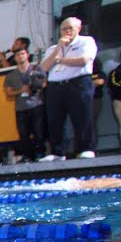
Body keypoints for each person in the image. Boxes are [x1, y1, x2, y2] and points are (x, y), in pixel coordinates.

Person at [40, 17, 98, 160]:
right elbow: (45, 67)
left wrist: (60, 60)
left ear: (78, 28)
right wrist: (58, 48)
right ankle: (57, 152)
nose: (67, 31)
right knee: (55, 120)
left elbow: (83, 60)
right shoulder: (53, 48)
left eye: (70, 28)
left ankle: (86, 148)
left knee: (82, 117)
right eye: (64, 29)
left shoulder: (86, 41)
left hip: (78, 82)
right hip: (55, 85)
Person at [4, 47, 47, 163]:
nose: (20, 56)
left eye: (22, 53)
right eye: (17, 55)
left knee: (39, 131)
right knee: (23, 133)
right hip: (20, 107)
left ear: (27, 55)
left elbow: (44, 83)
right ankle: (27, 155)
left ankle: (40, 153)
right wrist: (21, 90)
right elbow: (8, 93)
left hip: (36, 104)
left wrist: (35, 86)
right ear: (15, 58)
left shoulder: (36, 69)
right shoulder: (11, 75)